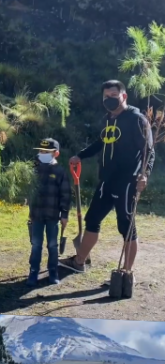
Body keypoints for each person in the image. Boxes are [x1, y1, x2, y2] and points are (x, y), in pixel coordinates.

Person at [63, 80, 155, 276]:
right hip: (106, 180)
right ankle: (79, 261)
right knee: (93, 219)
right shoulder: (108, 119)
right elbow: (101, 142)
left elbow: (149, 151)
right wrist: (80, 155)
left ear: (123, 96)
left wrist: (144, 175)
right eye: (106, 97)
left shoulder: (137, 119)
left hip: (127, 182)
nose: (109, 100)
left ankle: (126, 273)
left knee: (126, 226)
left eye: (113, 96)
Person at [27, 138, 72, 286]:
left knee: (53, 245)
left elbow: (65, 194)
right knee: (36, 244)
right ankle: (33, 271)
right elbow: (27, 190)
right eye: (41, 151)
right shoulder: (33, 169)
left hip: (53, 216)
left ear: (55, 154)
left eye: (46, 152)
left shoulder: (60, 172)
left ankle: (53, 271)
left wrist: (64, 214)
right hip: (36, 215)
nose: (42, 153)